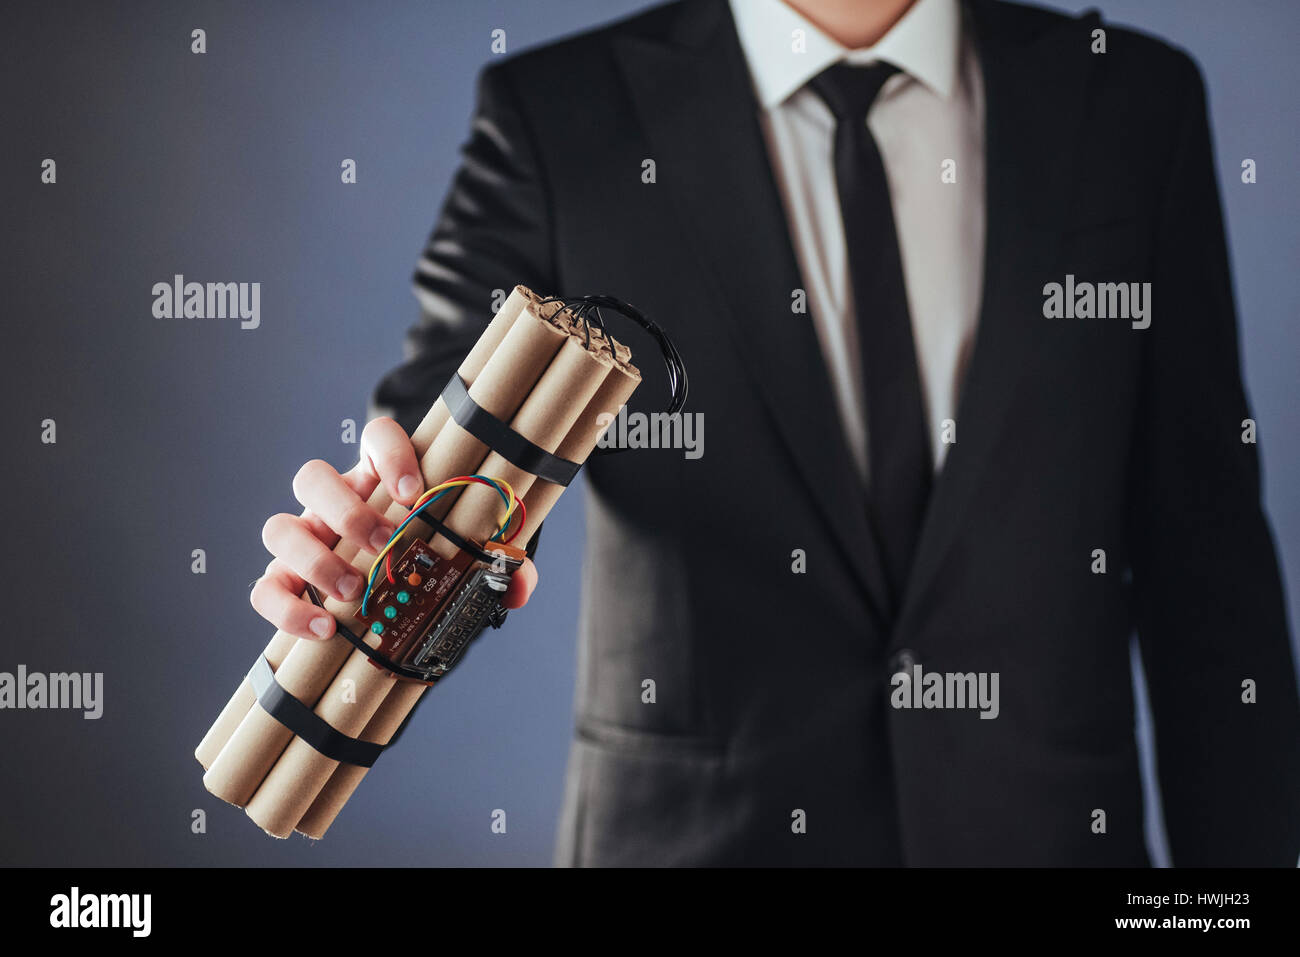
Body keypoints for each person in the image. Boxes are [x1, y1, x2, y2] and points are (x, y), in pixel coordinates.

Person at [251, 0, 1300, 865]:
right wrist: (365, 527)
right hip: (692, 840)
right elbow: (440, 422)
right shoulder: (559, 113)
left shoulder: (1129, 102)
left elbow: (1205, 558)